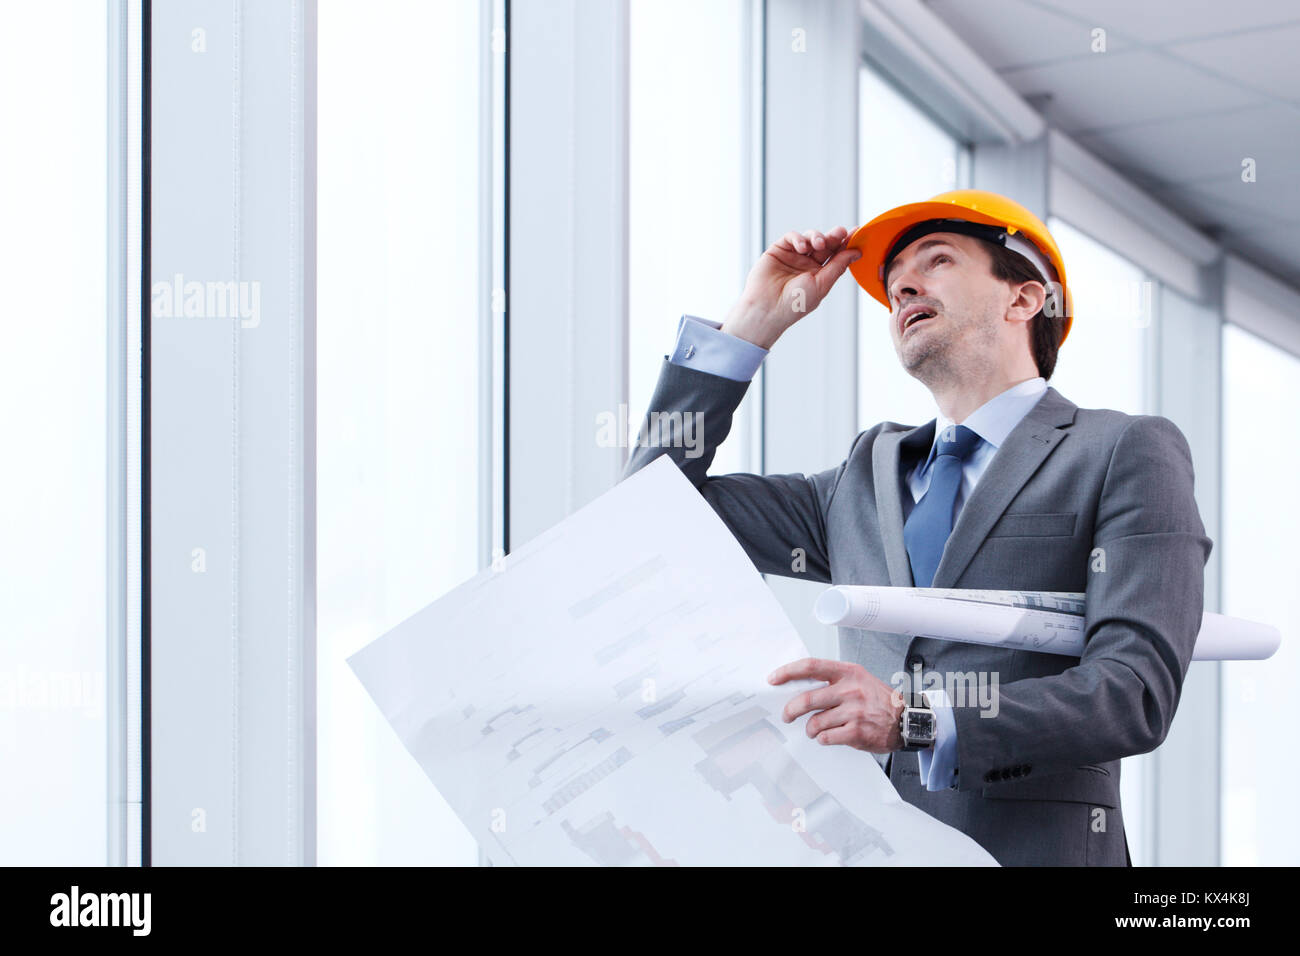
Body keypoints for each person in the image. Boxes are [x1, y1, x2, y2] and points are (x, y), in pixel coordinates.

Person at [621, 190, 1212, 866]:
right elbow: (648, 509)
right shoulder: (860, 480)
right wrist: (751, 326)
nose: (903, 284)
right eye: (896, 278)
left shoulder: (1122, 451)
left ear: (1023, 300)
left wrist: (916, 720)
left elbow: (1133, 692)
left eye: (937, 260)